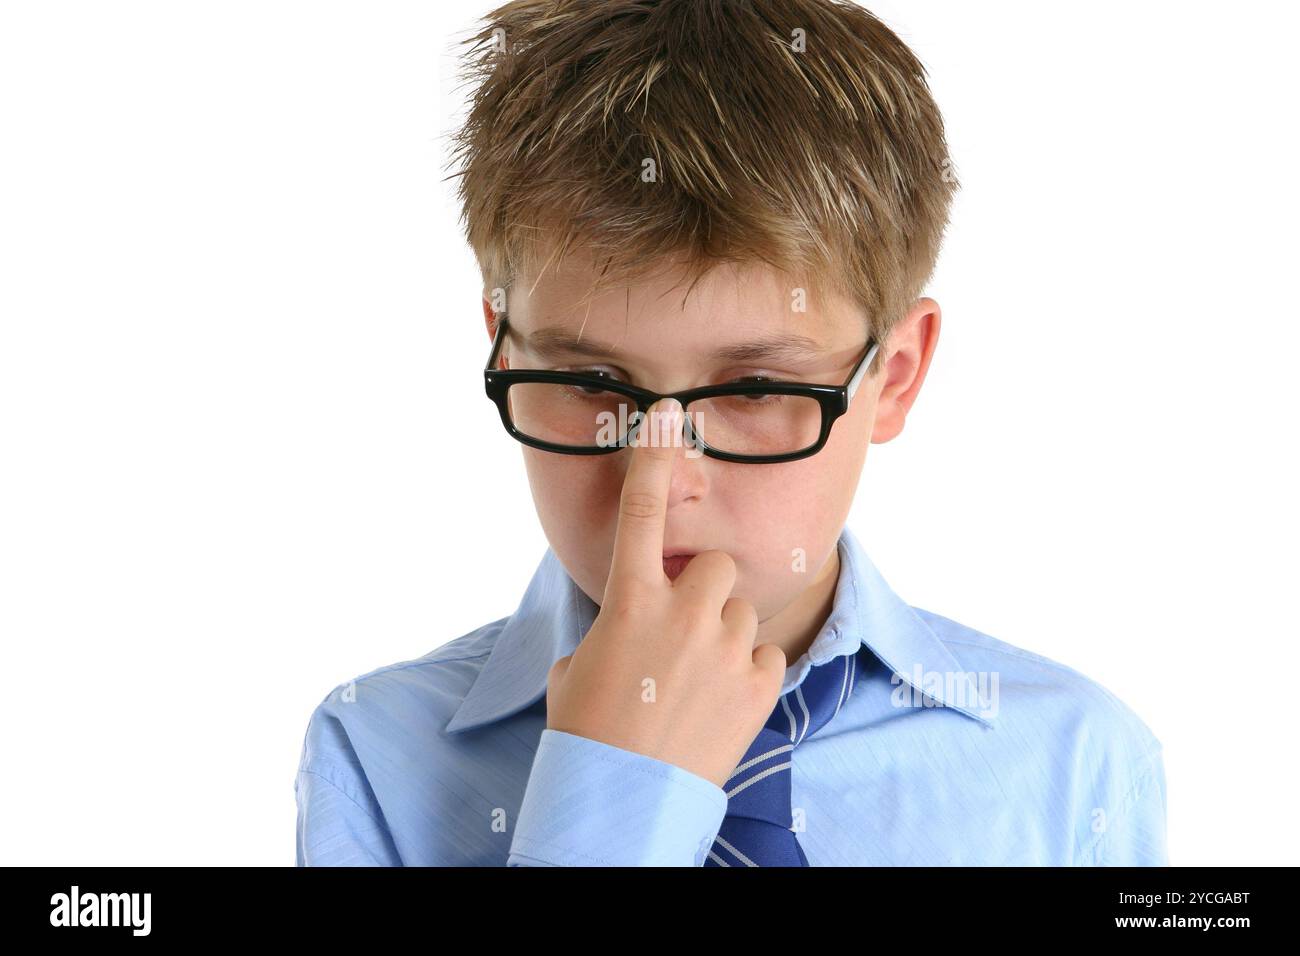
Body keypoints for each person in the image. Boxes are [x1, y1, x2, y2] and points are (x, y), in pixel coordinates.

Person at [295, 0, 1167, 866]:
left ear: (894, 376)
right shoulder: (374, 758)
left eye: (752, 389)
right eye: (590, 383)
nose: (660, 483)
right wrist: (616, 797)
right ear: (500, 341)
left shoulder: (1074, 765)